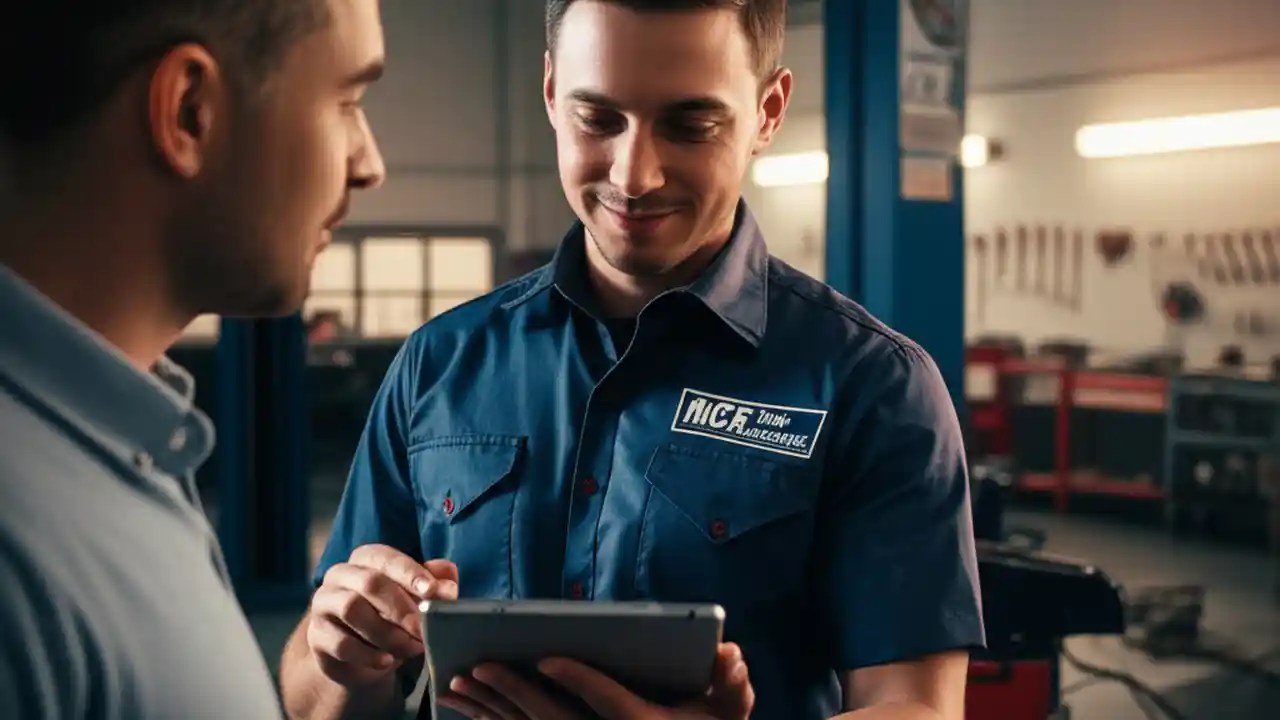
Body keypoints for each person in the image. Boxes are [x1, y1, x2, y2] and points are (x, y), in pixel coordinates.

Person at [281, 1, 985, 719]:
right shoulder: (440, 363)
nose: (635, 173)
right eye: (598, 119)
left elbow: (917, 707)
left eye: (690, 124)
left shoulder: (873, 387)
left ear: (768, 112)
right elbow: (313, 693)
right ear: (553, 93)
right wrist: (340, 654)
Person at [0, 1, 388, 716]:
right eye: (345, 101)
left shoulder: (125, 440)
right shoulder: (21, 547)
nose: (370, 165)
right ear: (189, 113)